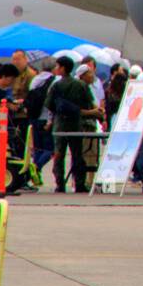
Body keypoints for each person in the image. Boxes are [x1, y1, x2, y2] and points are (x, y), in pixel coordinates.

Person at [46, 57, 102, 193]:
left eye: (58, 66)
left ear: (63, 68)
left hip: (60, 125)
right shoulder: (80, 85)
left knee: (59, 155)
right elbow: (89, 103)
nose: (56, 69)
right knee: (77, 154)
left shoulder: (56, 85)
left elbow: (49, 104)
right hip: (76, 124)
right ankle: (80, 184)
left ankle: (60, 184)